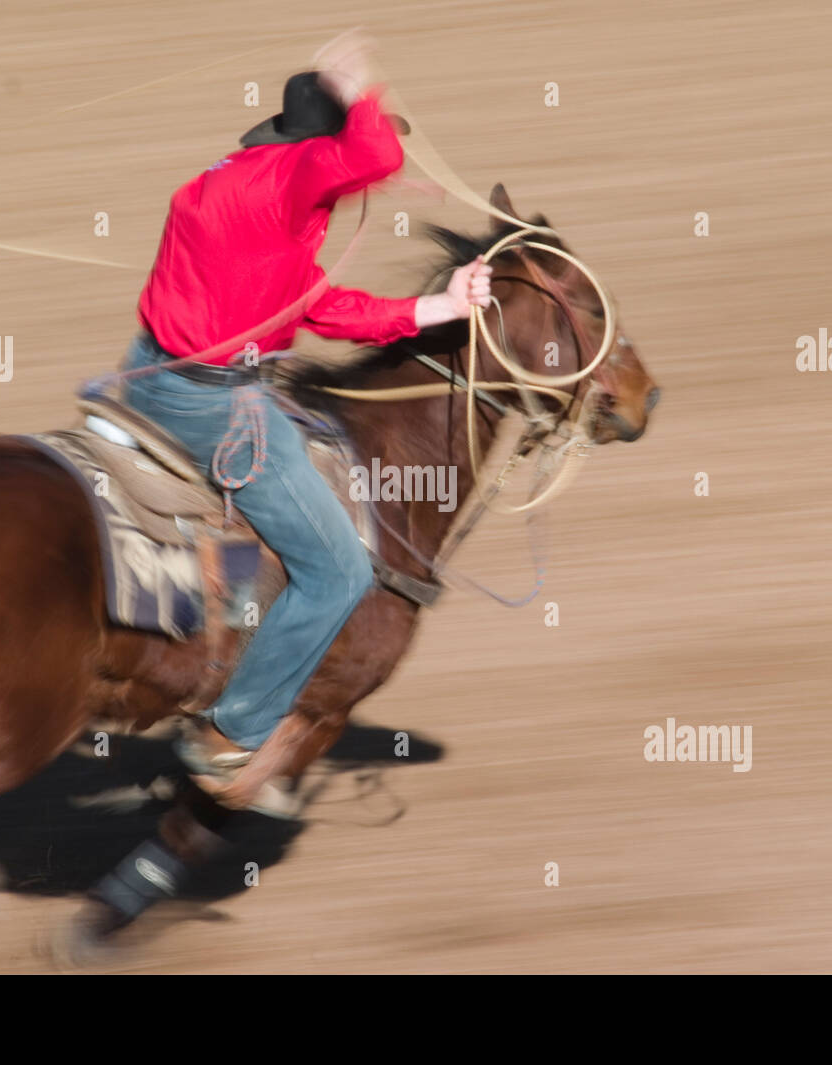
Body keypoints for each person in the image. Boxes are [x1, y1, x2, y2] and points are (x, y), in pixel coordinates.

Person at [123, 33, 491, 797]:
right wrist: (360, 88)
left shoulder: (229, 182)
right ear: (317, 146)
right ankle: (236, 728)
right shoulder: (294, 178)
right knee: (339, 570)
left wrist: (438, 307)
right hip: (214, 403)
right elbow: (375, 158)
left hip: (150, 373)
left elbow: (313, 304)